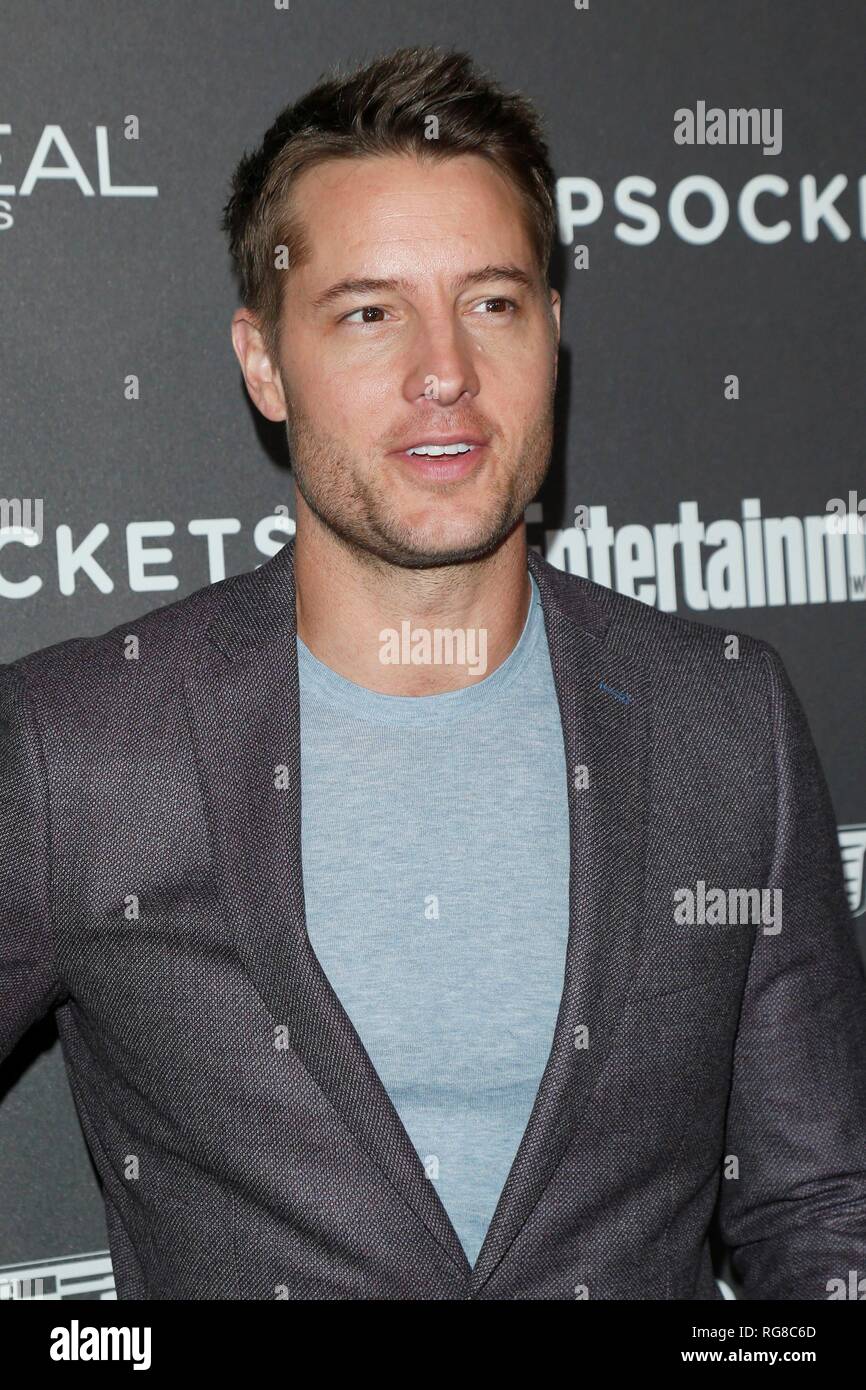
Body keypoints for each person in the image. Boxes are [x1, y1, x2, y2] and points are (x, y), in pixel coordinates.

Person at [2, 44, 865, 1301]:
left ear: (552, 332)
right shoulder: (78, 745)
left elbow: (816, 1206)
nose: (443, 370)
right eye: (368, 311)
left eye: (492, 301)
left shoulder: (718, 718)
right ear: (261, 362)